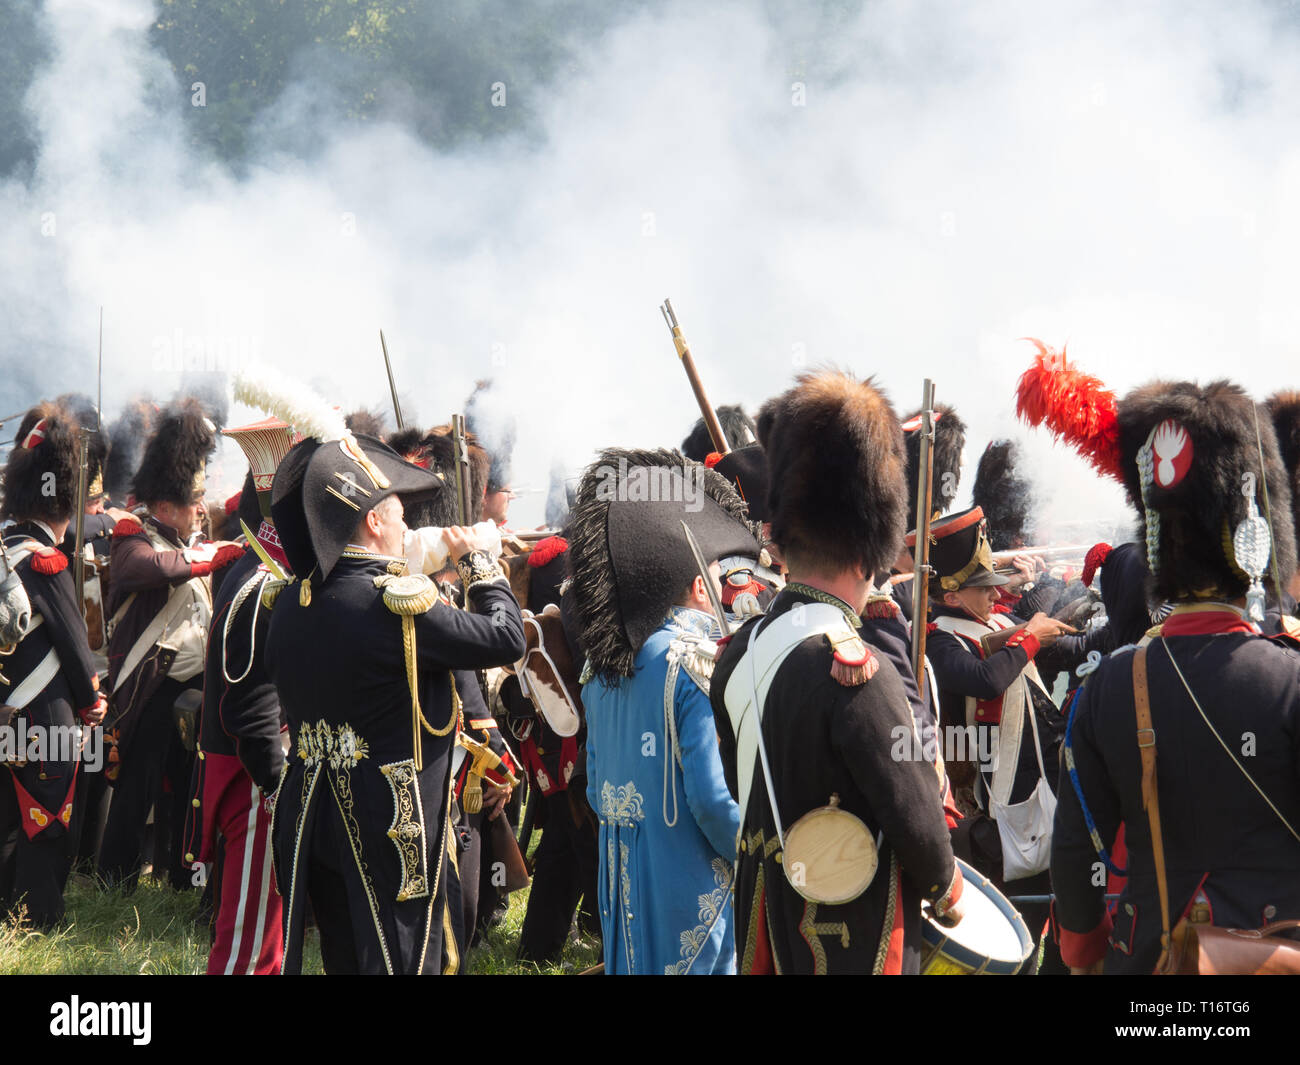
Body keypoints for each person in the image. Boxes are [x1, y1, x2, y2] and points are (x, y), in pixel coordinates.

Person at [1036, 372, 1300, 973]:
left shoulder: (1107, 688)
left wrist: (1082, 949)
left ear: (1158, 543)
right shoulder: (1290, 679)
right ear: (1257, 538)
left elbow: (1077, 853)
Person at [711, 370, 964, 974]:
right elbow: (911, 807)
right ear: (866, 544)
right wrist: (946, 884)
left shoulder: (740, 651)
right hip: (849, 926)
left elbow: (739, 780)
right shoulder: (855, 666)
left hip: (764, 919)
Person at [265, 429, 525, 974]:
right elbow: (506, 638)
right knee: (408, 960)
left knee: (344, 960)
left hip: (313, 813)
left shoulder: (291, 601)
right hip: (392, 821)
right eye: (400, 513)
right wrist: (479, 562)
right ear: (374, 521)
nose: (409, 525)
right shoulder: (397, 603)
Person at [567, 447, 755, 974]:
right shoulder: (694, 663)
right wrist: (761, 860)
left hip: (623, 872)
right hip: (688, 878)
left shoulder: (599, 670)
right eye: (716, 577)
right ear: (698, 587)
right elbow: (713, 800)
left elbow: (598, 781)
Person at [98, 399, 242, 891]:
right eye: (191, 502)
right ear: (165, 506)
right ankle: (115, 880)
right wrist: (208, 560)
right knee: (138, 784)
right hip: (152, 686)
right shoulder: (130, 536)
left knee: (189, 788)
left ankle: (184, 877)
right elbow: (149, 571)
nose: (200, 508)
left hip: (193, 685)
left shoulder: (184, 542)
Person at [184, 415, 296, 974]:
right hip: (258, 782)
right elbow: (255, 712)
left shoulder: (262, 568)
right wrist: (278, 788)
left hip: (255, 775)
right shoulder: (268, 581)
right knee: (247, 949)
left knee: (264, 939)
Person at [0, 405, 107, 928]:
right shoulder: (46, 560)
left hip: (6, 713)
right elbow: (72, 638)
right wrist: (92, 699)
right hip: (46, 720)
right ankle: (38, 917)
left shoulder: (6, 548)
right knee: (48, 821)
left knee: (7, 818)